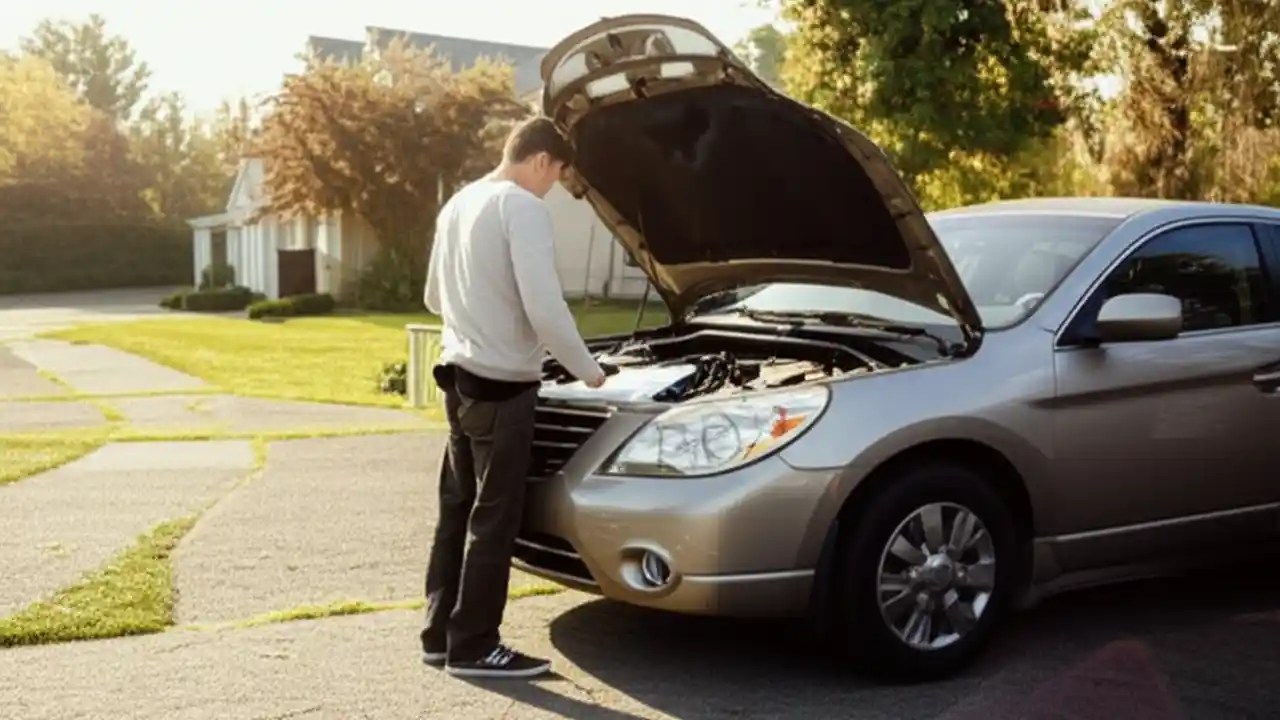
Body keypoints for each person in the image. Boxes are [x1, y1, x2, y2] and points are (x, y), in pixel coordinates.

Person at [420, 115, 607, 679]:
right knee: (494, 519)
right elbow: (545, 307)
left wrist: (478, 312)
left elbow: (433, 298)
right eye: (555, 176)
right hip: (503, 389)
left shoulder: (458, 203)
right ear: (542, 161)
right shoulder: (522, 207)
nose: (552, 188)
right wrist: (590, 371)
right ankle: (475, 645)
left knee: (456, 512)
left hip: (457, 382)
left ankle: (439, 636)